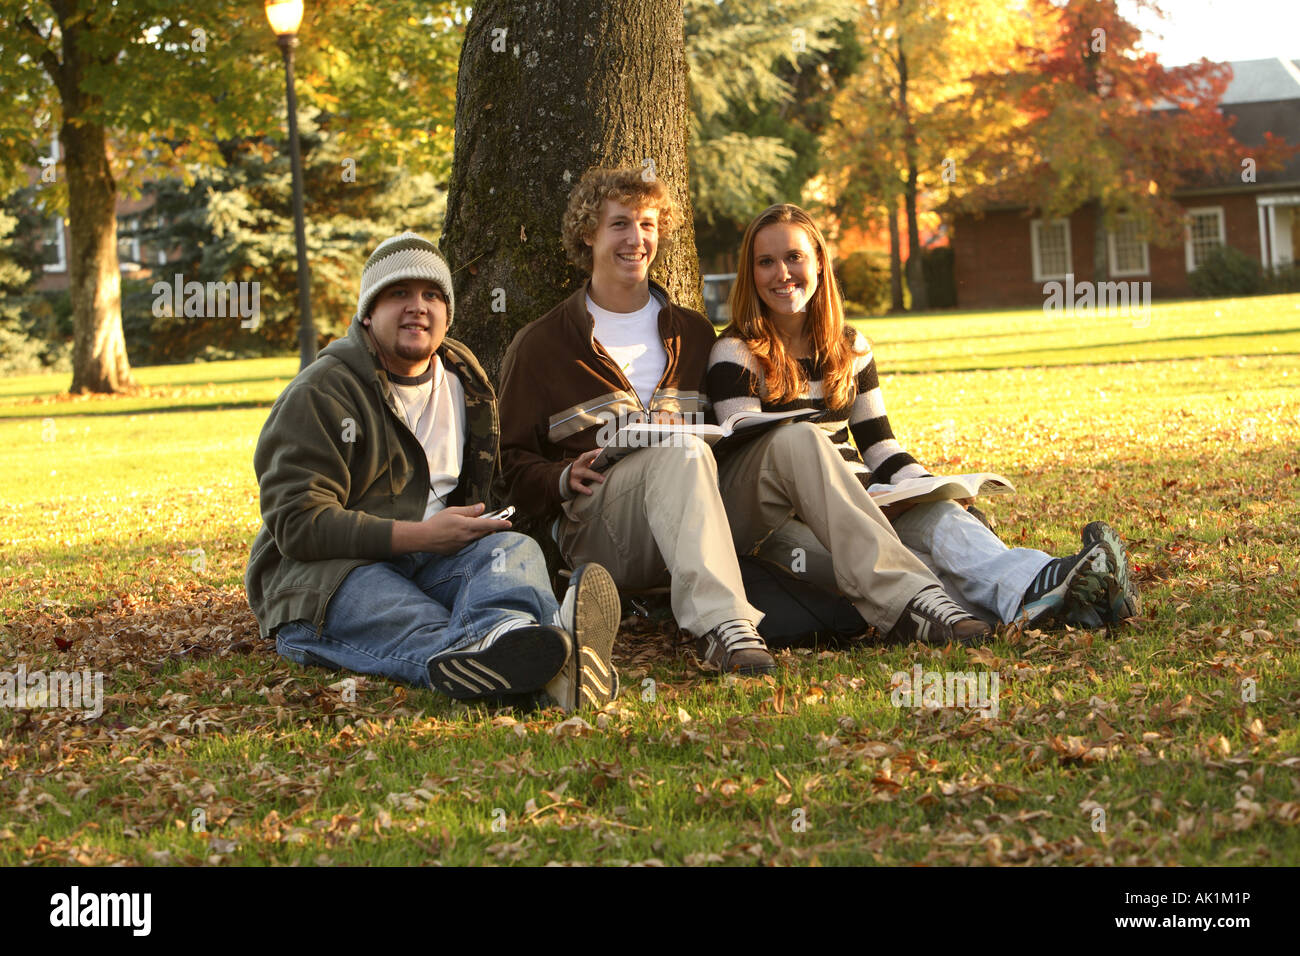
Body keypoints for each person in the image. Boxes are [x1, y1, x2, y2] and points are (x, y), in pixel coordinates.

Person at [498, 168, 991, 669]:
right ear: (589, 233)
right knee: (681, 450)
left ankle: (911, 601)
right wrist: (558, 476)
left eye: (647, 225)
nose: (636, 239)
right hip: (604, 530)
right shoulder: (544, 344)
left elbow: (728, 439)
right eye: (620, 224)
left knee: (798, 438)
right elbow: (508, 467)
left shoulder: (690, 332)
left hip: (699, 517)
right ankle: (723, 625)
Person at [708, 203, 1137, 631]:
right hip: (785, 525)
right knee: (911, 565)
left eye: (794, 257)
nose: (781, 273)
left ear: (819, 261)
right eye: (766, 262)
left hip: (868, 502)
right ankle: (1065, 598)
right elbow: (758, 463)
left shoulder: (851, 348)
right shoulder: (736, 353)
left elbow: (881, 446)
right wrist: (862, 511)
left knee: (947, 523)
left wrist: (929, 488)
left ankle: (1047, 589)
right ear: (752, 274)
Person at [245, 232, 620, 712]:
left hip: (435, 563)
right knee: (419, 623)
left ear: (447, 312)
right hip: (331, 576)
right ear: (368, 312)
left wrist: (559, 479)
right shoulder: (323, 392)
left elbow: (492, 485)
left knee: (512, 550)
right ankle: (545, 669)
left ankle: (514, 641)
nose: (417, 306)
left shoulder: (466, 381)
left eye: (432, 295)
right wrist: (419, 537)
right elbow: (298, 524)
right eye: (398, 293)